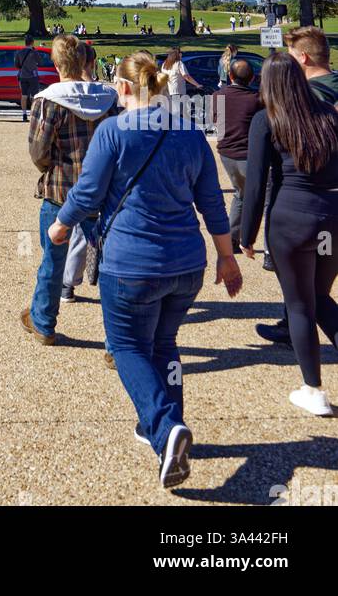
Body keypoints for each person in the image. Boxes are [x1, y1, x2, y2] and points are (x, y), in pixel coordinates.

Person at [51, 51, 241, 488]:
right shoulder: (190, 134)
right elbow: (211, 202)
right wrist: (226, 256)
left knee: (127, 347)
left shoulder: (113, 132)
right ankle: (164, 430)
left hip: (132, 264)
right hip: (187, 263)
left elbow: (88, 192)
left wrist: (62, 225)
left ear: (121, 88)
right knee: (164, 344)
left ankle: (164, 427)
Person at [241, 51, 338, 417]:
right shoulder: (329, 115)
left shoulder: (267, 121)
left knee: (301, 304)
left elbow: (255, 184)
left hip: (291, 219)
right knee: (318, 298)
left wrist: (246, 234)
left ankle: (313, 389)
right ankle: (312, 387)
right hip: (332, 215)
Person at [21, 35, 117, 345]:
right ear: (86, 61)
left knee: (53, 259)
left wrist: (52, 167)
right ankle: (120, 337)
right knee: (111, 264)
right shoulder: (108, 99)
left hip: (60, 188)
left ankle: (43, 321)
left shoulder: (47, 100)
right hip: (101, 190)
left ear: (55, 63)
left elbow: (38, 151)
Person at [62, 45, 118, 302]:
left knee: (75, 229)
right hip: (104, 169)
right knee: (103, 229)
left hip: (70, 169)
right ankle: (108, 279)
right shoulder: (107, 96)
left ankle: (68, 283)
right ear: (92, 63)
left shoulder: (61, 96)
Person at [211, 59, 262, 254]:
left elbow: (217, 121)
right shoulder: (256, 100)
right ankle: (267, 248)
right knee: (263, 200)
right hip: (248, 154)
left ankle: (232, 239)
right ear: (252, 78)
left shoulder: (217, 96)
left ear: (230, 76)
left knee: (240, 194)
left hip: (226, 153)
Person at [15, 38, 41, 124]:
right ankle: (33, 114)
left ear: (25, 43)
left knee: (24, 96)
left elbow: (17, 65)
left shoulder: (19, 52)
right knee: (34, 96)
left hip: (23, 76)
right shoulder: (34, 52)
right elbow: (40, 61)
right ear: (32, 43)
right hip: (33, 76)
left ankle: (24, 114)